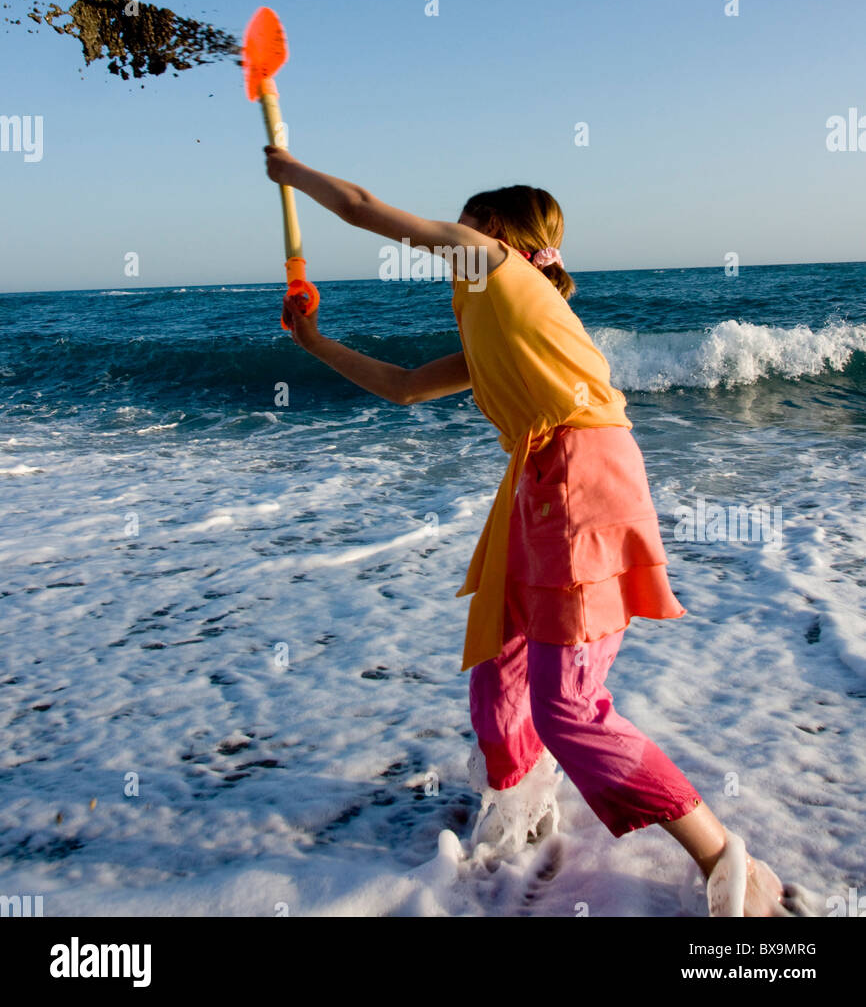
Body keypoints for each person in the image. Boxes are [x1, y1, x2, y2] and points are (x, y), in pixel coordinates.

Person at [264, 145, 798, 917]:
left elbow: (360, 206)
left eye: (469, 222)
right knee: (499, 672)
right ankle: (517, 807)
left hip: (585, 473)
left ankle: (728, 862)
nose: (456, 236)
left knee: (567, 707)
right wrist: (313, 345)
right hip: (536, 484)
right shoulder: (497, 326)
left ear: (501, 235)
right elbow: (406, 387)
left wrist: (292, 172)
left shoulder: (500, 273)